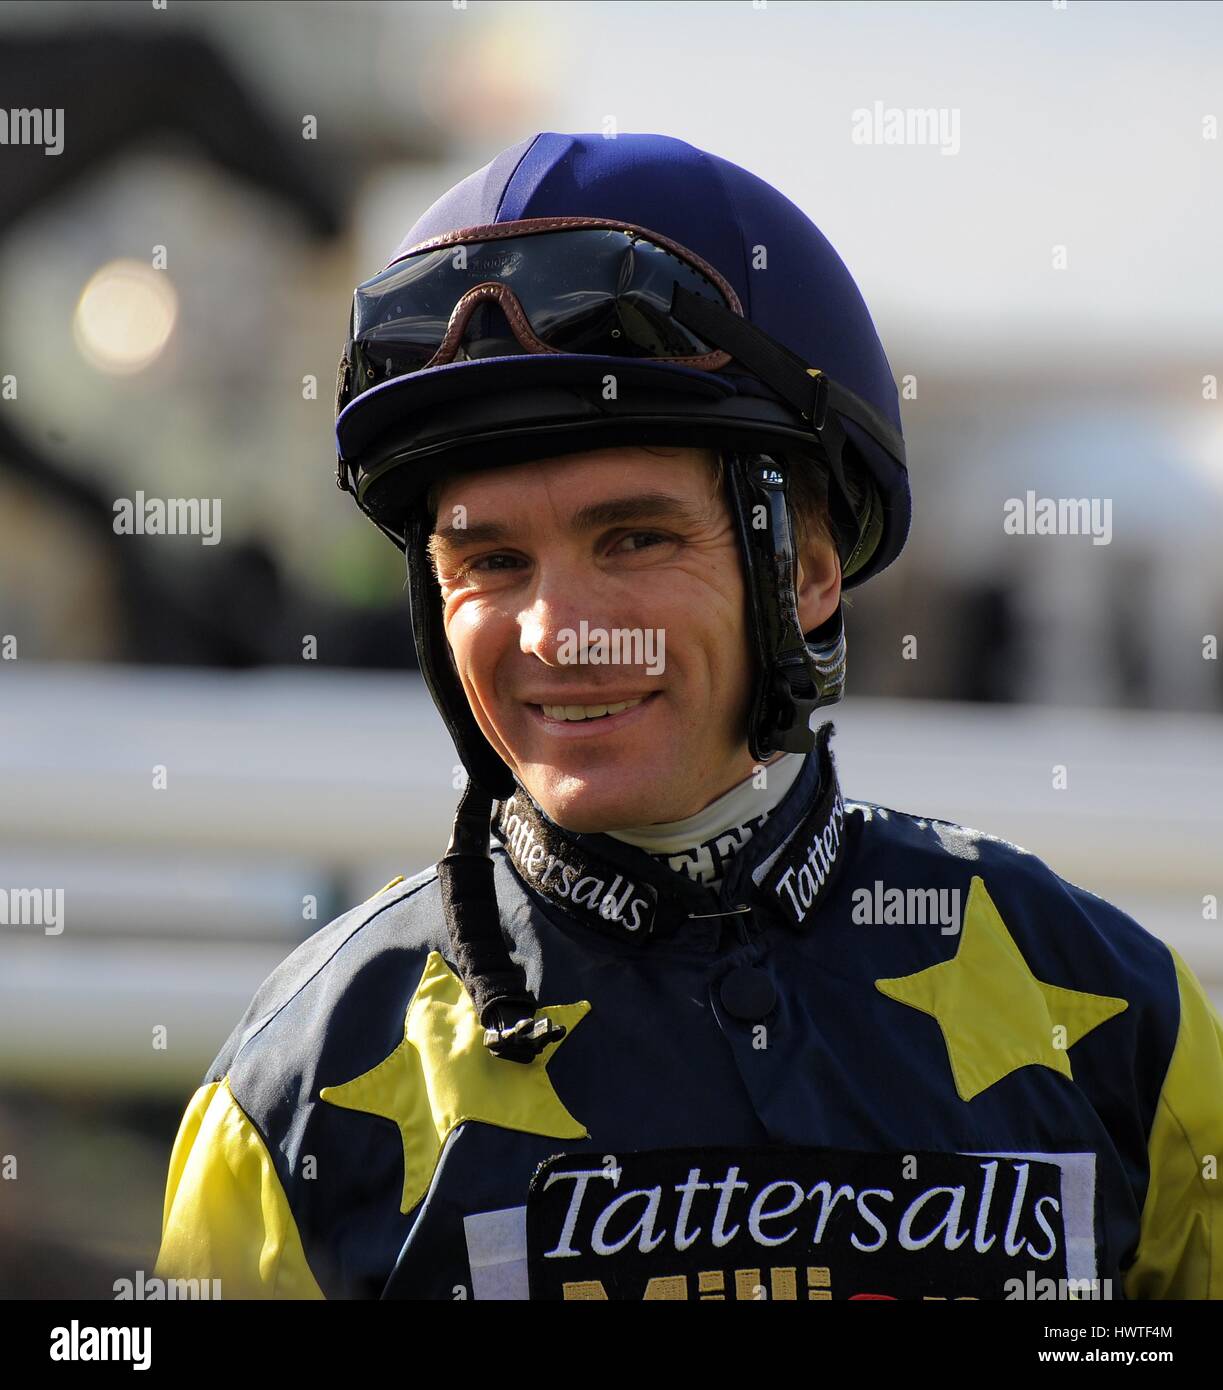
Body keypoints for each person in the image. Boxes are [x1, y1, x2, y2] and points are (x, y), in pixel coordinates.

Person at [154, 131, 1222, 1301]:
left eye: (634, 539)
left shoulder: (1121, 1016)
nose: (559, 632)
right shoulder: (294, 1095)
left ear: (808, 566)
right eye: (492, 560)